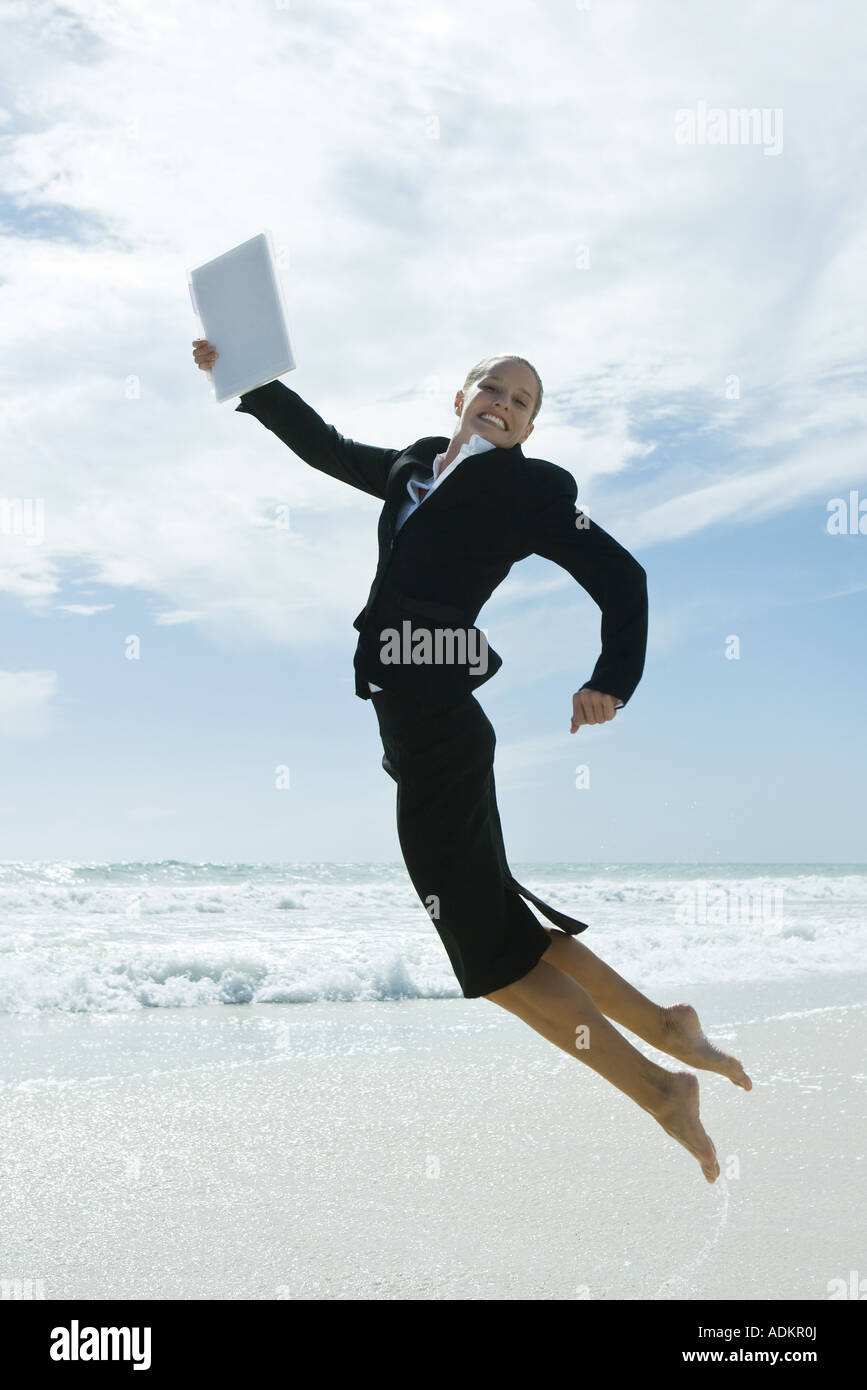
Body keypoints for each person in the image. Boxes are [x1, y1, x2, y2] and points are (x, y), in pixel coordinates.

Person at [192, 338, 752, 1182]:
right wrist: (246, 376)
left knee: (490, 961)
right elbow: (327, 447)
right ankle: (665, 1030)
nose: (503, 402)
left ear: (529, 426)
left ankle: (659, 1088)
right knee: (503, 930)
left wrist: (611, 681)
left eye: (522, 400)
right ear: (461, 394)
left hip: (443, 732)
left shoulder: (530, 490)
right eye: (493, 387)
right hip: (418, 730)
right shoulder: (412, 469)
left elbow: (622, 578)